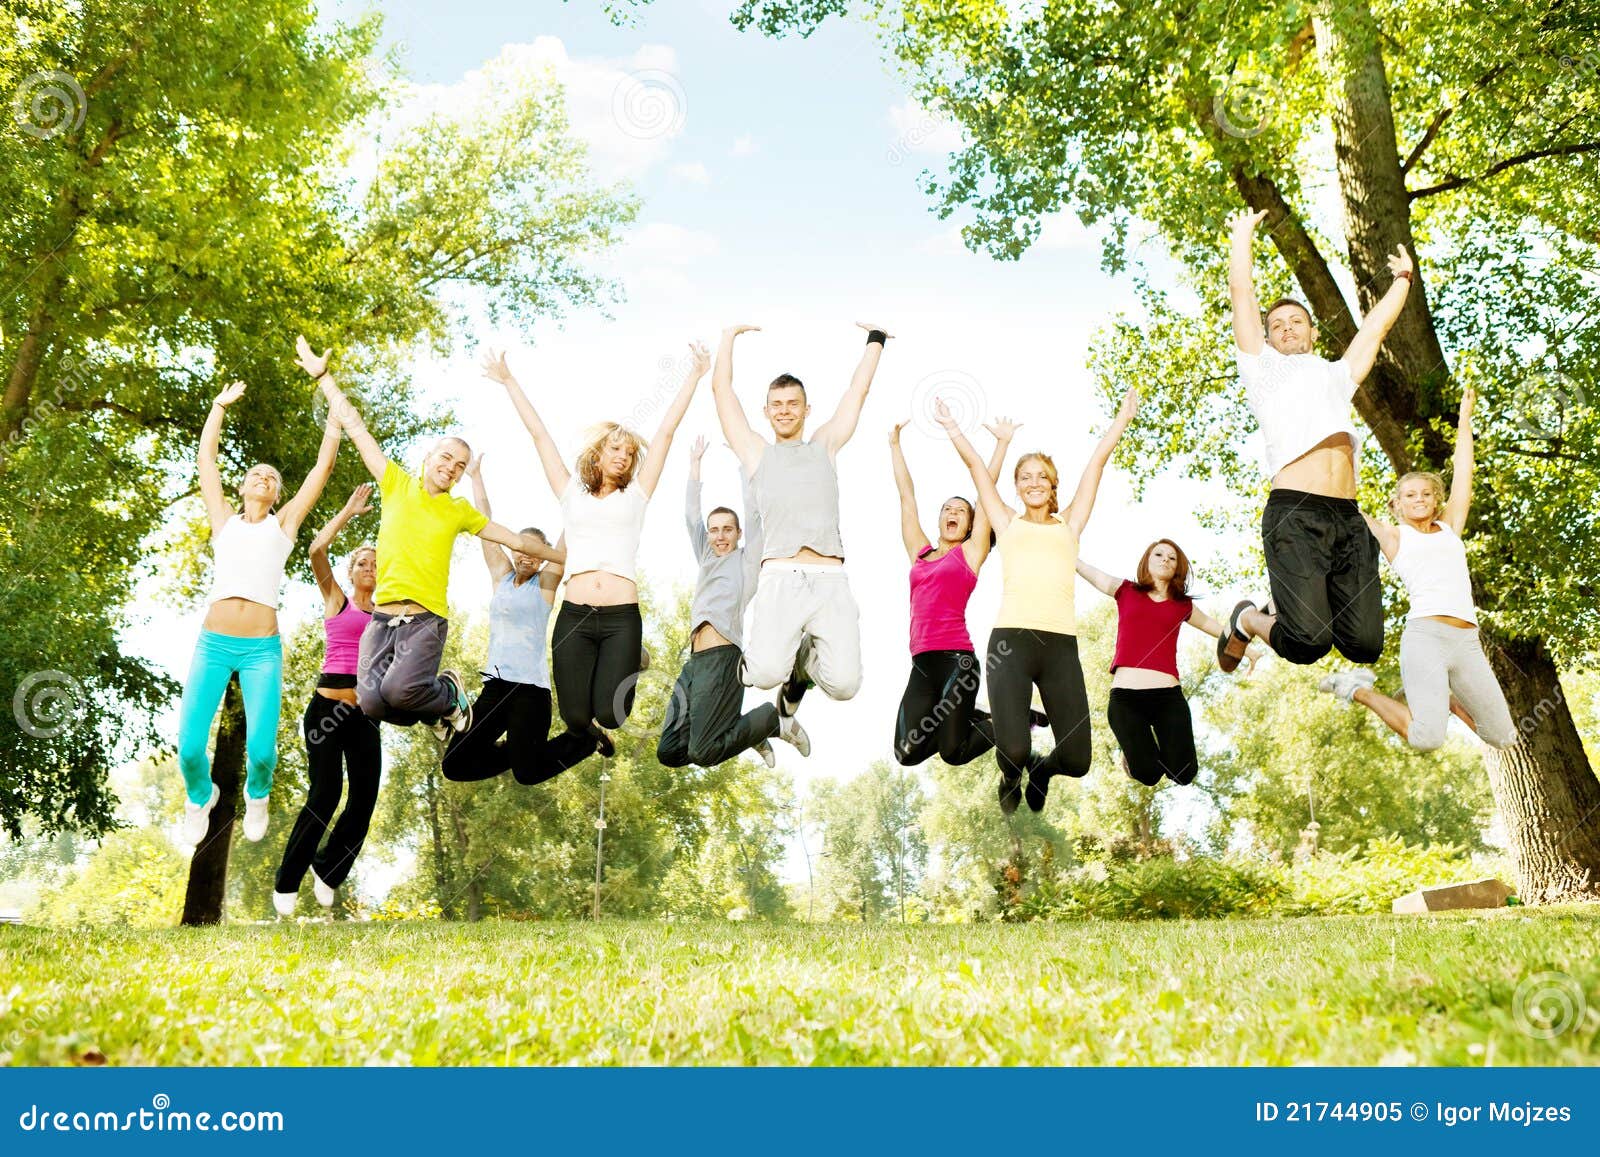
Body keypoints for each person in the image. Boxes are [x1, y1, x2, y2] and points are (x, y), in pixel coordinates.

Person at [301, 337, 563, 741]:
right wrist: (324, 377)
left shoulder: (459, 510)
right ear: (428, 457)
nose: (452, 469)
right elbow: (355, 427)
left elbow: (516, 541)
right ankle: (437, 711)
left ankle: (450, 697)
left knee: (399, 689)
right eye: (446, 459)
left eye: (459, 467)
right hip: (384, 617)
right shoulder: (395, 483)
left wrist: (565, 553)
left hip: (424, 618)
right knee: (371, 701)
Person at [481, 340, 706, 767]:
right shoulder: (570, 494)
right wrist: (509, 381)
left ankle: (632, 660)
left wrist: (694, 375)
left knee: (611, 714)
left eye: (629, 453)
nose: (623, 456)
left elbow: (665, 433)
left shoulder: (637, 495)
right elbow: (539, 435)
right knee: (576, 717)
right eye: (615, 449)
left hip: (621, 616)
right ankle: (599, 703)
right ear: (599, 454)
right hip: (575, 616)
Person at [1215, 207, 1415, 673]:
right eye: (1277, 325)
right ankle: (1248, 618)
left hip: (1349, 519)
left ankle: (1291, 596)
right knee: (1307, 642)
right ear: (1266, 338)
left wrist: (1403, 278)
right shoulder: (1260, 367)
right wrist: (1242, 236)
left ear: (1312, 331)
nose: (1286, 327)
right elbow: (1241, 293)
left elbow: (1374, 329)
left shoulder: (1334, 375)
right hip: (1296, 512)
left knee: (1365, 645)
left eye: (1295, 321)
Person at [938, 389, 1139, 814]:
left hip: (1060, 647)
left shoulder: (1071, 524)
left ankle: (1042, 771)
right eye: (1024, 477)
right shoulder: (1005, 522)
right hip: (1011, 642)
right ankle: (1012, 773)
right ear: (1016, 487)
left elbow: (1096, 465)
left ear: (1052, 486)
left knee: (1079, 760)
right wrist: (953, 426)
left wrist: (1121, 420)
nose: (1032, 482)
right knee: (1012, 747)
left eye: (1041, 477)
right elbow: (977, 469)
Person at [180, 377, 340, 847]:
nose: (264, 478)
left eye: (272, 477)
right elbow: (205, 459)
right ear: (244, 485)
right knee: (189, 747)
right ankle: (199, 796)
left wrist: (333, 422)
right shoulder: (223, 521)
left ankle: (258, 794)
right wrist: (218, 405)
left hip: (261, 651)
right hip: (213, 645)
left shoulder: (284, 524)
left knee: (262, 752)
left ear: (276, 493)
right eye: (256, 473)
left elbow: (322, 469)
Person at [711, 322, 891, 726]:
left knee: (845, 686)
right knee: (762, 674)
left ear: (806, 409)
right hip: (781, 576)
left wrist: (875, 341)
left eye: (793, 403)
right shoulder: (757, 453)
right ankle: (778, 671)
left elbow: (856, 394)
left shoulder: (824, 446)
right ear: (767, 411)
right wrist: (728, 338)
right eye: (777, 404)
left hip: (830, 579)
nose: (785, 410)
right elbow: (722, 393)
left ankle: (804, 667)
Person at [1319, 387, 1517, 752]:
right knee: (1427, 738)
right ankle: (1357, 688)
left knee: (1503, 738)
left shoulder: (1450, 526)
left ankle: (1450, 700)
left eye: (1426, 493)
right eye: (1410, 495)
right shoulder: (1394, 537)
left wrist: (1465, 420)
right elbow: (1346, 501)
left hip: (1467, 642)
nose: (1419, 499)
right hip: (1426, 637)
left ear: (1436, 499)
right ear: (1397, 504)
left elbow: (1463, 472)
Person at [657, 437, 810, 769]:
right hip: (694, 663)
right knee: (669, 751)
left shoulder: (746, 561)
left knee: (702, 753)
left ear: (738, 533)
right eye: (714, 530)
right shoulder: (707, 558)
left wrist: (743, 465)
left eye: (727, 529)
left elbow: (756, 516)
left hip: (722, 658)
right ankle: (747, 733)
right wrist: (695, 466)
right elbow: (690, 515)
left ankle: (770, 720)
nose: (720, 535)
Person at [439, 454, 592, 785]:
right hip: (495, 688)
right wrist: (477, 477)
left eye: (536, 552)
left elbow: (567, 539)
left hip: (529, 692)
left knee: (527, 774)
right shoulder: (501, 577)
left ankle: (584, 740)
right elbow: (483, 524)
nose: (526, 555)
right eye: (521, 548)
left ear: (542, 559)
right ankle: (518, 750)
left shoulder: (546, 585)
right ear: (513, 550)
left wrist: (580, 492)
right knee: (454, 765)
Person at [273, 485, 382, 914]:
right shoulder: (337, 600)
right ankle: (286, 882)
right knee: (324, 795)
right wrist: (349, 513)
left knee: (364, 798)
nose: (369, 566)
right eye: (362, 562)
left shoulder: (390, 613)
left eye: (376, 562)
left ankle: (328, 869)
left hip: (366, 716)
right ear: (351, 571)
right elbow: (316, 549)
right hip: (328, 710)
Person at [888, 414, 1017, 767]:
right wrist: (895, 446)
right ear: (940, 518)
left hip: (956, 661)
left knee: (953, 753)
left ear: (970, 524)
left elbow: (985, 489)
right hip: (922, 665)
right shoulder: (921, 553)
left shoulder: (971, 554)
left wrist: (1002, 444)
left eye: (961, 511)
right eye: (948, 508)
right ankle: (968, 715)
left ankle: (1011, 721)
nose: (953, 512)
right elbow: (906, 498)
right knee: (906, 752)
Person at [1076, 540, 1261, 787]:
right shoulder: (1126, 590)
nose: (1165, 559)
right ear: (1147, 561)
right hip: (1126, 700)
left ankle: (1144, 748)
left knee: (1184, 774)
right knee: (1149, 774)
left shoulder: (1182, 605)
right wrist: (1067, 552)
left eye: (1172, 558)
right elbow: (1089, 571)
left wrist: (1248, 650)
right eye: (1159, 554)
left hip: (1168, 699)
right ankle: (1134, 752)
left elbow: (1215, 627)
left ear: (1178, 567)